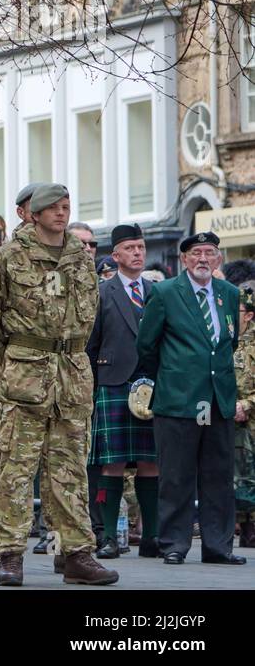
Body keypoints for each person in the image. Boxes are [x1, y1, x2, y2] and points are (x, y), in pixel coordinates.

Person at [0, 183, 117, 586]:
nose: (61, 213)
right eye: (52, 207)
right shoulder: (6, 258)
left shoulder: (80, 258)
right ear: (32, 213)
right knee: (16, 467)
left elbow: (89, 315)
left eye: (66, 206)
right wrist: (8, 359)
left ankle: (77, 553)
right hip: (25, 374)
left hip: (70, 372)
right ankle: (10, 553)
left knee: (70, 469)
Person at [137, 231, 245, 565]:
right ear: (184, 259)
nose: (202, 259)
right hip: (178, 399)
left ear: (218, 259)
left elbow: (230, 341)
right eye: (196, 253)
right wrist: (173, 378)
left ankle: (218, 546)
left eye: (209, 253)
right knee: (177, 474)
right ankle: (174, 543)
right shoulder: (166, 292)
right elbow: (146, 345)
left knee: (218, 475)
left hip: (218, 398)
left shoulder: (228, 293)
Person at [85, 223, 160, 560]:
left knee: (151, 463)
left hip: (152, 386)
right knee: (110, 464)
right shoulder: (103, 292)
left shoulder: (158, 292)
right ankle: (108, 537)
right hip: (113, 383)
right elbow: (90, 344)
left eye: (141, 248)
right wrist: (91, 385)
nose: (137, 253)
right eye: (130, 248)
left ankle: (152, 537)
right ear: (115, 255)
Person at [233, 285, 255, 547]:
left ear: (248, 315)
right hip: (227, 419)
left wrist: (247, 404)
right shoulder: (225, 341)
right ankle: (240, 524)